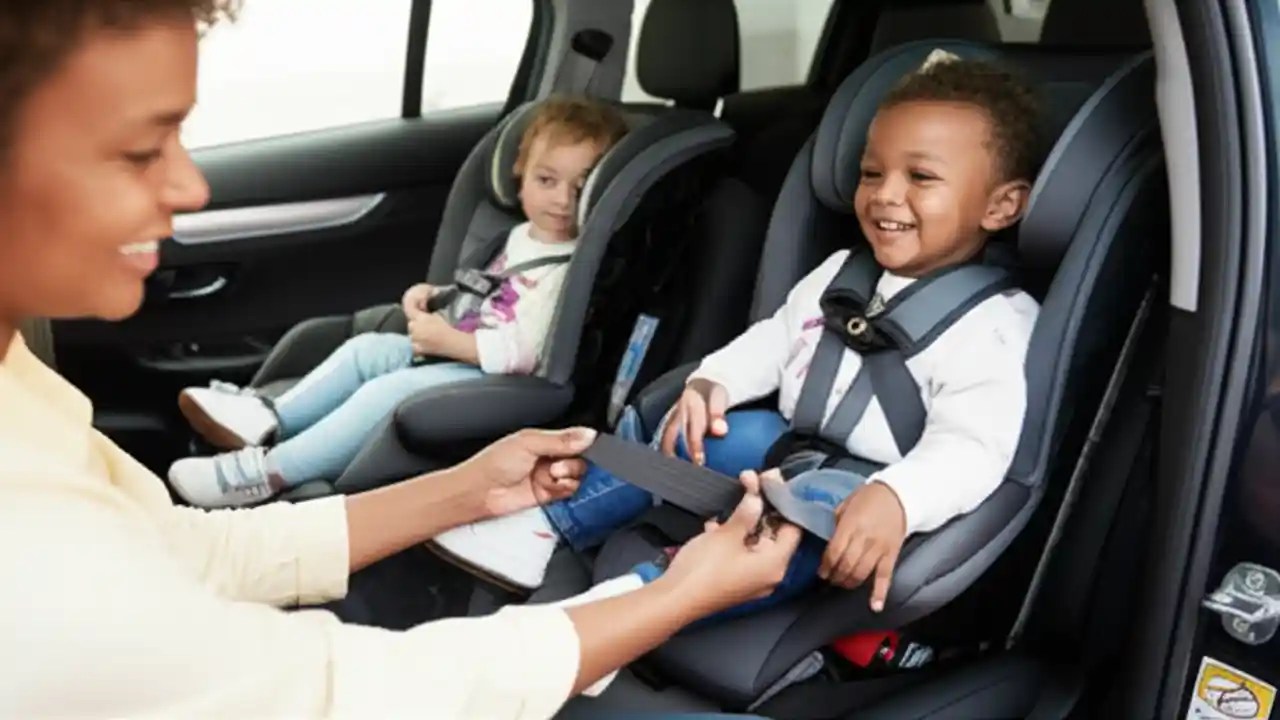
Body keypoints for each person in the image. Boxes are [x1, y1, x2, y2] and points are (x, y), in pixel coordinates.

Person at [0, 2, 800, 717]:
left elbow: (185, 554)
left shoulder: (21, 390)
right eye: (141, 150)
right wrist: (679, 594)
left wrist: (462, 492)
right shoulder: (31, 551)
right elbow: (338, 695)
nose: (191, 186)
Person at [431, 54, 1046, 615]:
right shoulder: (843, 271)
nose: (885, 194)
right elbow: (778, 339)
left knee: (809, 521)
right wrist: (715, 381)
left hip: (858, 487)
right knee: (678, 428)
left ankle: (642, 599)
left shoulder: (996, 324)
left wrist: (898, 497)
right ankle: (546, 528)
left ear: (1000, 207)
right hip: (781, 444)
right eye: (871, 172)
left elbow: (974, 447)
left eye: (921, 178)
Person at [166, 96, 629, 508]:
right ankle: (267, 417)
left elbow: (526, 350)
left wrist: (449, 342)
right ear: (519, 176)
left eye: (581, 189)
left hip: (502, 373)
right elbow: (488, 292)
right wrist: (436, 299)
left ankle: (263, 474)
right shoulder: (520, 237)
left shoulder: (570, 264)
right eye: (547, 180)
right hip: (464, 346)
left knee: (385, 392)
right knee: (367, 350)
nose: (562, 201)